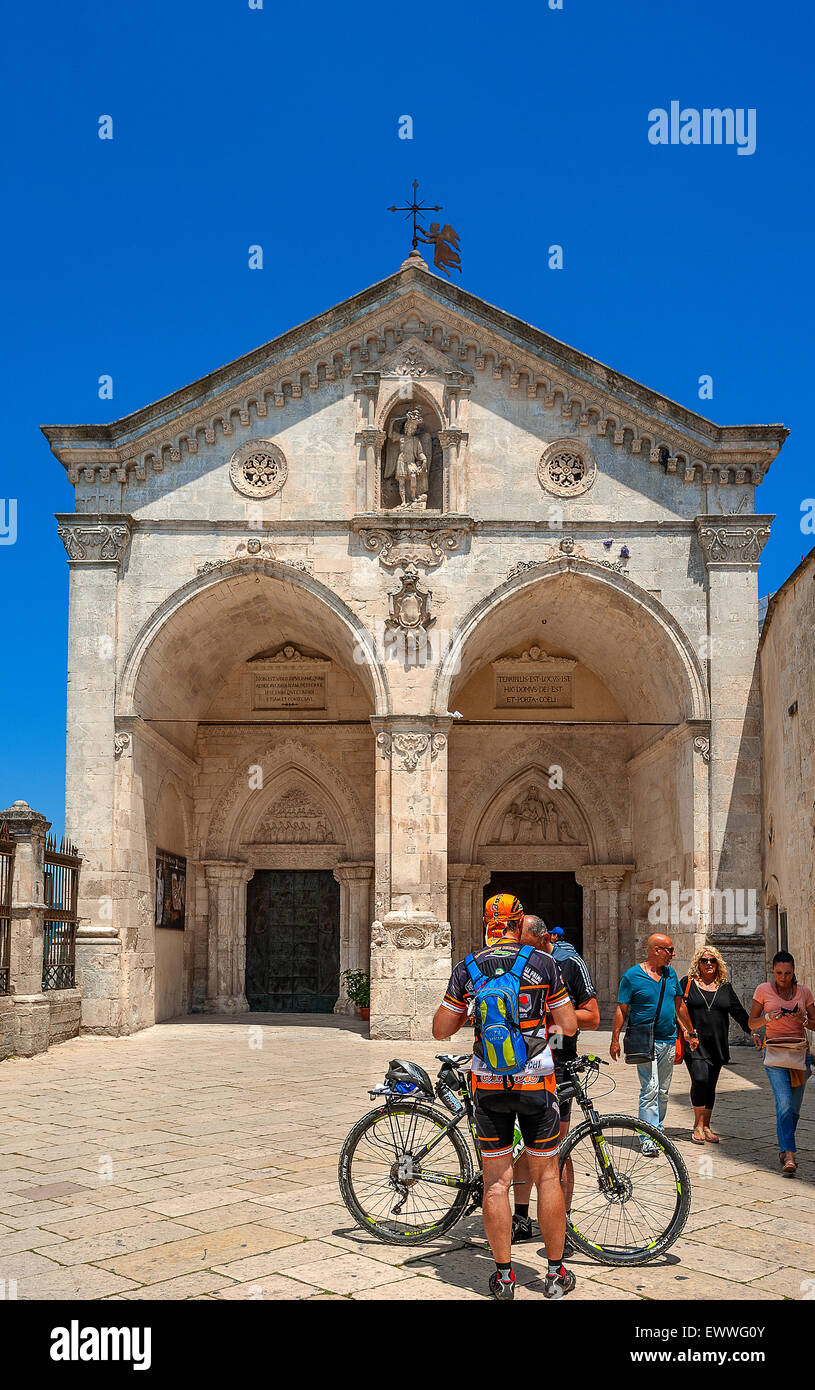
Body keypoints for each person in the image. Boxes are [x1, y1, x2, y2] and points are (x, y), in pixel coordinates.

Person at [432, 893, 578, 1301]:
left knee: (495, 1182)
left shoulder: (469, 967)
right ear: (518, 922)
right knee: (546, 1175)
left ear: (486, 923)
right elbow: (567, 1024)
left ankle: (504, 1277)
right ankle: (554, 1274)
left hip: (489, 1086)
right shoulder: (544, 963)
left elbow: (440, 1029)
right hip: (536, 1084)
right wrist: (537, 1017)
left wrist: (470, 1012)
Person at [512, 916, 600, 1249]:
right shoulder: (514, 962)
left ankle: (562, 1222)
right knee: (520, 1146)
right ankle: (521, 1218)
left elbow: (592, 1017)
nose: (521, 953)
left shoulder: (569, 963)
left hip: (558, 1064)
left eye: (526, 945)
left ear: (544, 938)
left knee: (556, 1149)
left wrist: (550, 1014)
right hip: (516, 1065)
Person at [610, 934, 699, 1154]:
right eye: (669, 950)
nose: (673, 954)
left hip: (668, 1040)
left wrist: (690, 1031)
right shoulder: (631, 976)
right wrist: (614, 1039)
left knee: (663, 1091)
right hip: (644, 1041)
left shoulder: (670, 975)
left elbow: (679, 1007)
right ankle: (648, 1138)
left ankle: (657, 1129)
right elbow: (622, 1009)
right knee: (650, 1088)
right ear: (656, 950)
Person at [749, 951, 815, 1176]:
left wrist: (802, 1019)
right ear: (773, 971)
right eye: (779, 973)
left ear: (793, 972)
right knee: (784, 1103)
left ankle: (785, 1146)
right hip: (775, 1054)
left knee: (794, 1110)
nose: (783, 977)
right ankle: (789, 1154)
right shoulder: (763, 990)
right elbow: (752, 1022)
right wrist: (769, 1018)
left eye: (787, 973)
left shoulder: (804, 992)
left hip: (799, 1055)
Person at [679, 945, 753, 1144]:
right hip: (694, 1043)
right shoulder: (687, 983)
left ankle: (707, 1126)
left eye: (712, 960)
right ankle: (697, 1125)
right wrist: (686, 1031)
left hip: (718, 1043)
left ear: (718, 963)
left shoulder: (725, 987)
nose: (709, 964)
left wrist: (752, 1031)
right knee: (700, 1079)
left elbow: (738, 1012)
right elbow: (677, 1008)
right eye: (704, 960)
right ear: (698, 963)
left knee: (711, 1084)